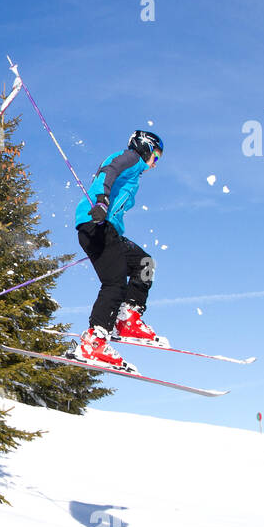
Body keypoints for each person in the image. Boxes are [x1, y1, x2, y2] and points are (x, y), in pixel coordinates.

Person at [70, 130, 163, 370]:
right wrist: (101, 200)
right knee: (114, 281)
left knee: (144, 263)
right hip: (96, 221)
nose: (156, 162)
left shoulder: (136, 174)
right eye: (156, 155)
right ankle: (94, 340)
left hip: (109, 230)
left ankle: (128, 319)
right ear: (145, 147)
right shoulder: (131, 158)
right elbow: (109, 169)